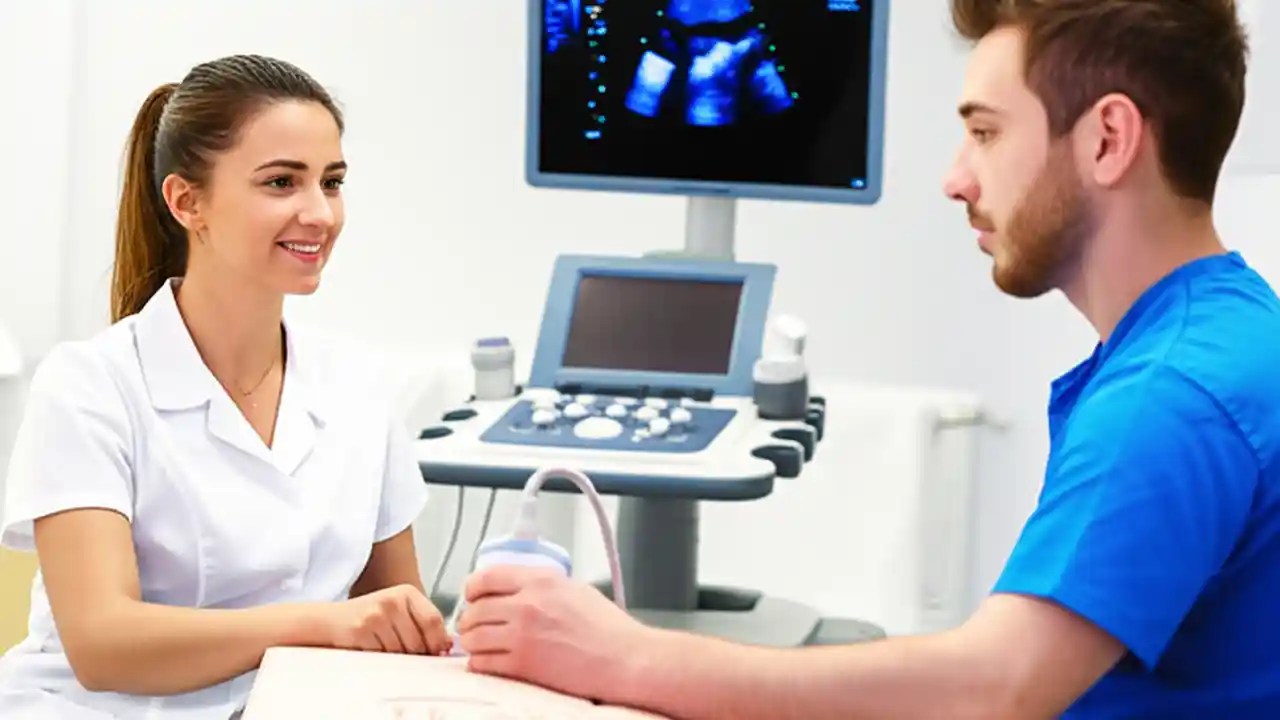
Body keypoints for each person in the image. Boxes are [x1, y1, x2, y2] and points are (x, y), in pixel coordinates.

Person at [456, 1, 1280, 717]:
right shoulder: (1229, 328)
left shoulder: (1171, 395)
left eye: (986, 134)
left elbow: (997, 686)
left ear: (1108, 138)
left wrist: (619, 654)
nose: (956, 180)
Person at [0, 54, 451, 718]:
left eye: (331, 182)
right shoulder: (90, 386)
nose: (319, 213)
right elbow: (103, 646)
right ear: (187, 202)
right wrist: (321, 625)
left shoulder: (357, 386)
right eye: (280, 183)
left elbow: (397, 628)